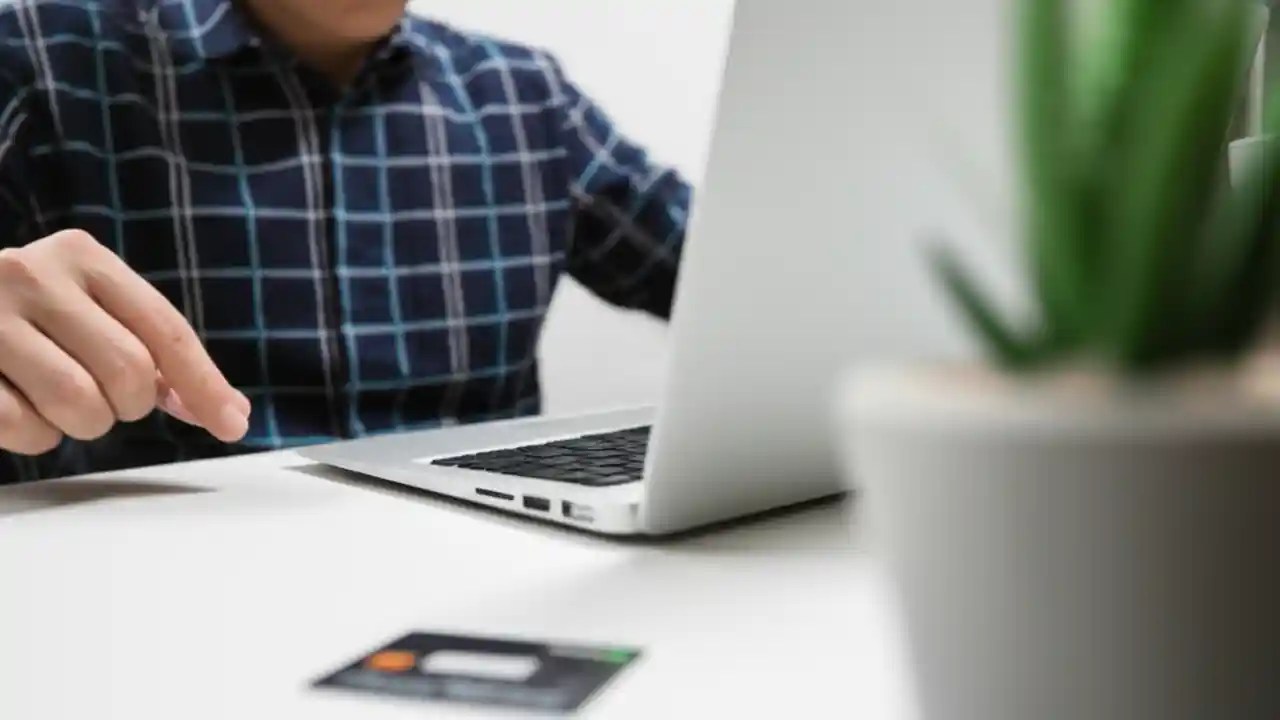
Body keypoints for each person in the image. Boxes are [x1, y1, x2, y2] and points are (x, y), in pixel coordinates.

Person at [0, 0, 690, 483]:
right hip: (143, 584)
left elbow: (731, 272)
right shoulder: (39, 55)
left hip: (492, 567)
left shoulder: (524, 94)